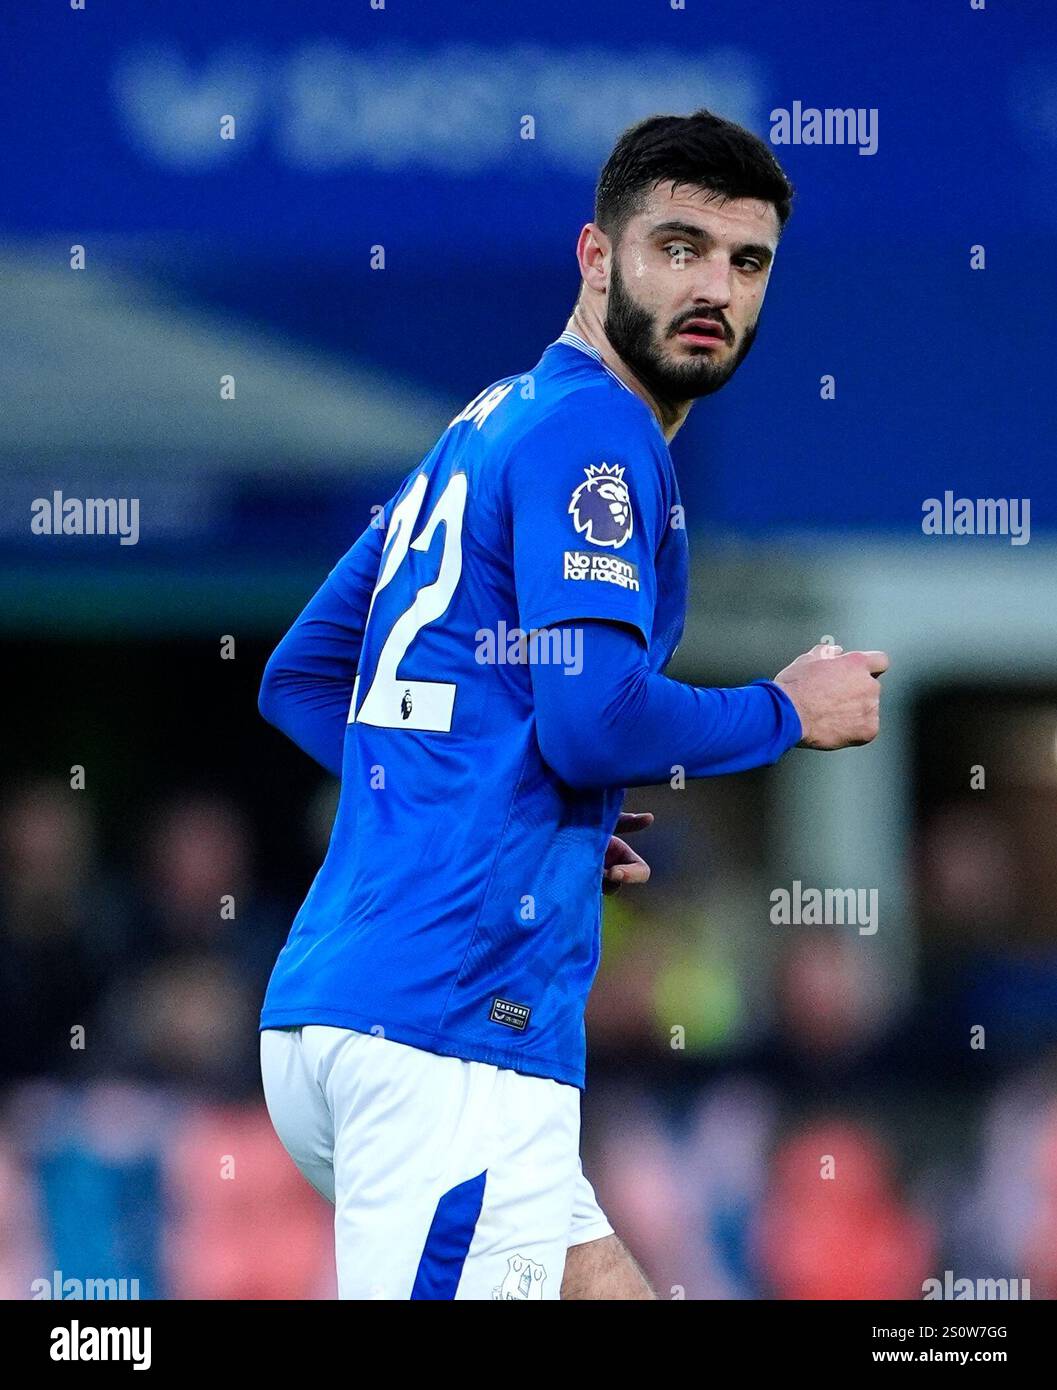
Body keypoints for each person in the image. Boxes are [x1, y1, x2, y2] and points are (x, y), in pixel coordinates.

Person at [257, 108, 888, 1300]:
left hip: (352, 1013)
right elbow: (592, 721)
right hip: (449, 1034)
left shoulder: (487, 422)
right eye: (677, 246)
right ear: (596, 257)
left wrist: (500, 805)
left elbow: (300, 677)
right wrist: (784, 709)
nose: (714, 287)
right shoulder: (598, 429)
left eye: (745, 262)